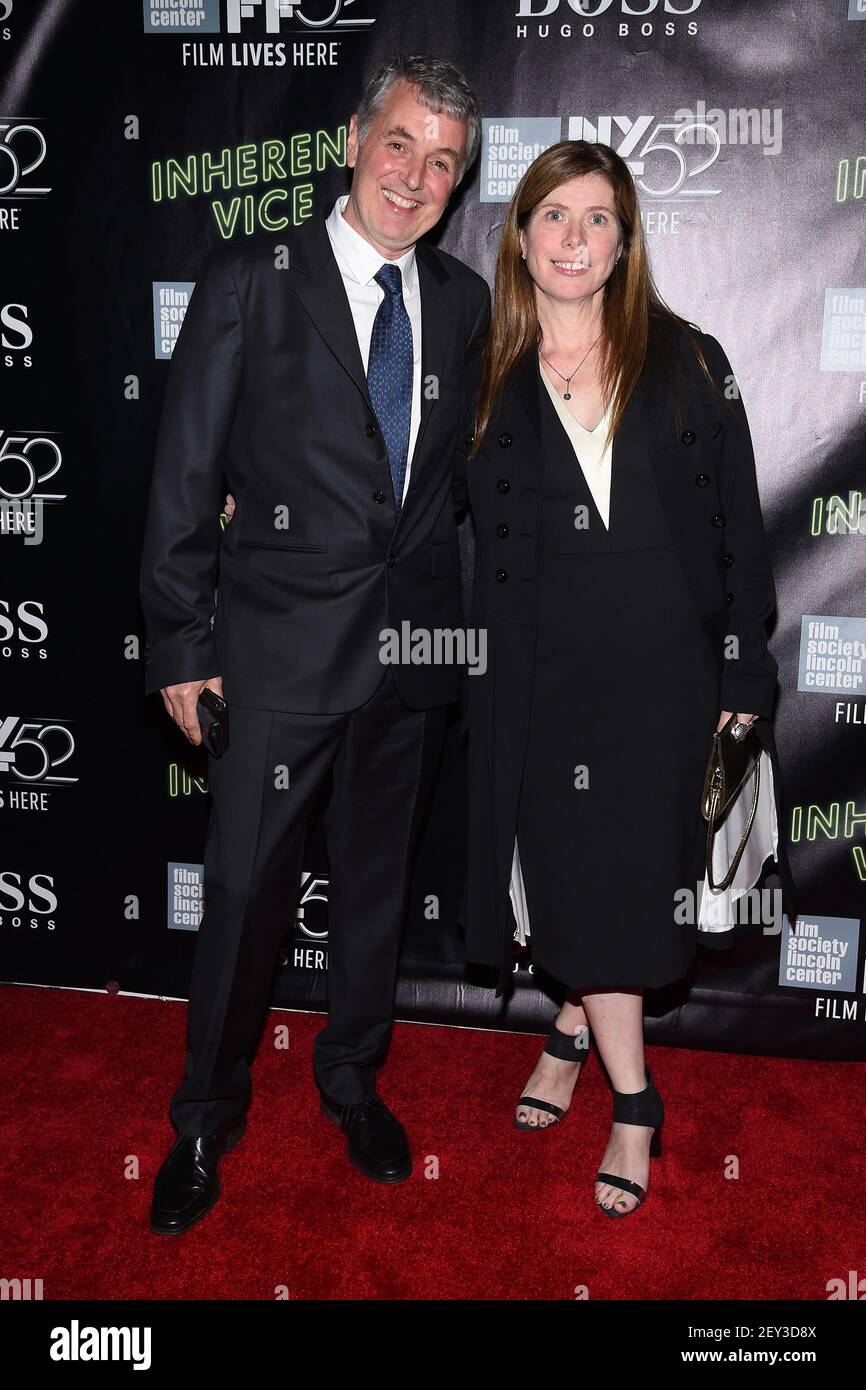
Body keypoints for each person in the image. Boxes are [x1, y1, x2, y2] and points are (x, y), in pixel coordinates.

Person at [138, 54, 490, 1235]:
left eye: (443, 160)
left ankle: (350, 1077)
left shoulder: (465, 302)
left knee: (377, 893)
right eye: (400, 144)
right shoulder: (250, 279)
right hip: (276, 654)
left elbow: (455, 491)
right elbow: (184, 473)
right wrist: (182, 643)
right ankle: (202, 1119)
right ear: (352, 140)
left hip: (412, 661)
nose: (416, 175)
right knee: (241, 895)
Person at [457, 140, 797, 1217]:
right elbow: (407, 515)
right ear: (519, 235)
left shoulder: (689, 360)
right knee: (578, 886)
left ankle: (567, 1030)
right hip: (543, 685)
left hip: (668, 681)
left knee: (633, 897)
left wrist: (744, 663)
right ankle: (636, 1100)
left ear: (622, 240)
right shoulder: (478, 376)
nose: (571, 237)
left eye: (595, 218)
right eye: (551, 214)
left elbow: (740, 531)